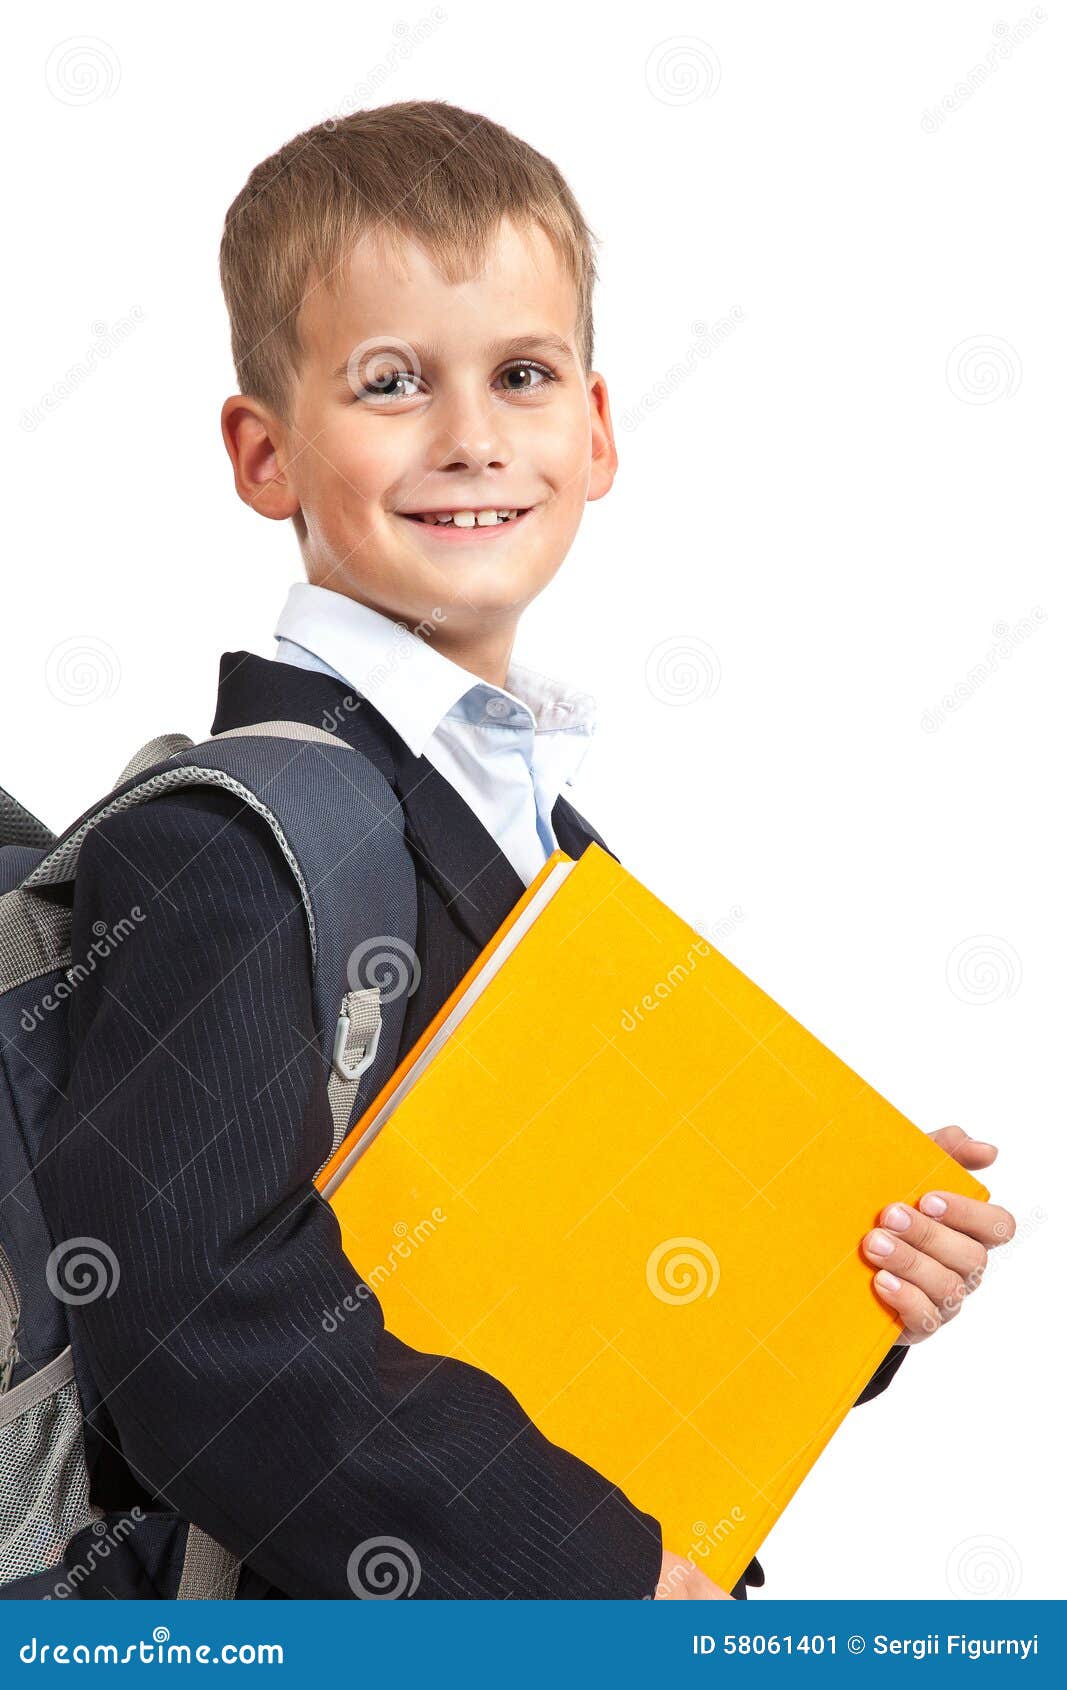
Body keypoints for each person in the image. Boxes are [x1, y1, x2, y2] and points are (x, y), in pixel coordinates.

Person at [43, 100, 1016, 1601]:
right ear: (265, 453)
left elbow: (572, 1249)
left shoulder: (528, 816)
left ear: (598, 428)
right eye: (390, 383)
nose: (471, 438)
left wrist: (841, 1257)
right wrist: (595, 1580)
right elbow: (199, 1328)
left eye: (521, 374)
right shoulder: (229, 843)